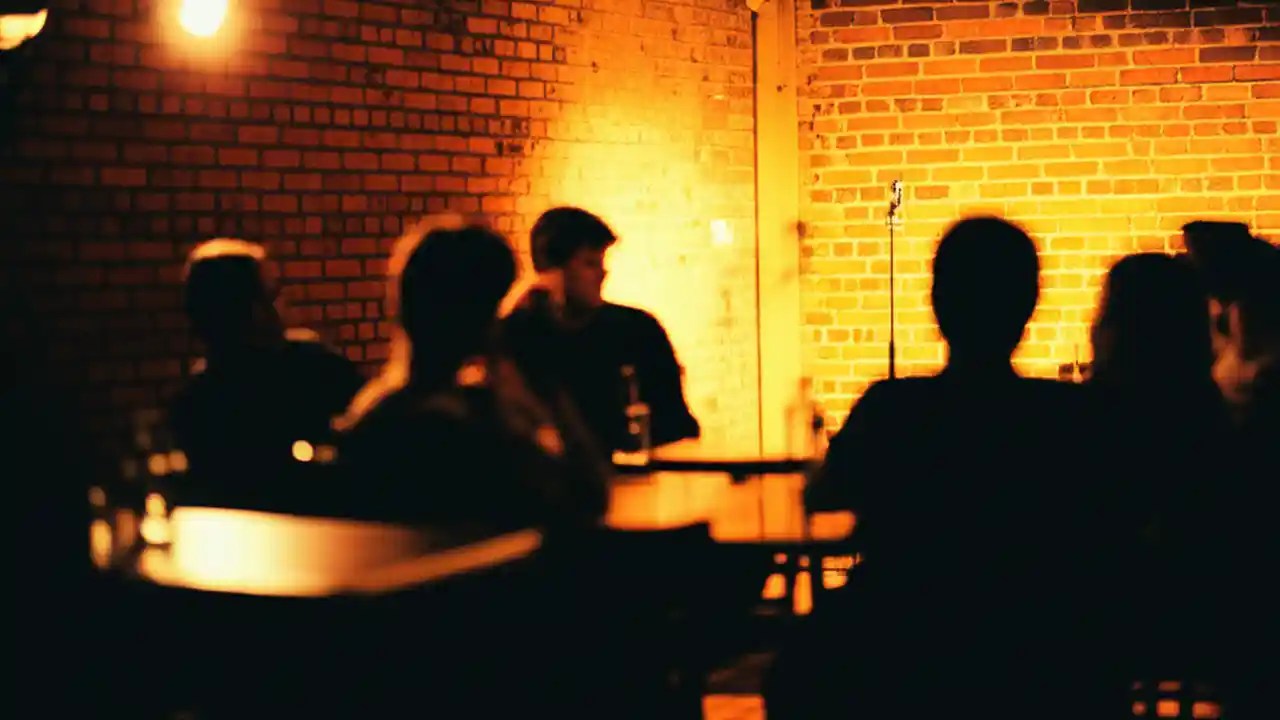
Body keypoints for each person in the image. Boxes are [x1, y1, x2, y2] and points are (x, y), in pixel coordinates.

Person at [768, 217, 1117, 719]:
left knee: (794, 671)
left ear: (937, 302)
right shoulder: (1069, 416)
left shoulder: (892, 408)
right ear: (1028, 305)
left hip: (896, 639)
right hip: (1040, 648)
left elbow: (823, 495)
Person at [335, 216, 610, 535]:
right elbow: (586, 498)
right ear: (486, 320)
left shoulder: (375, 412)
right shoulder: (467, 431)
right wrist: (544, 377)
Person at [167, 239, 365, 507]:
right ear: (243, 308)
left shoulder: (195, 401)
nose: (279, 307)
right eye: (270, 295)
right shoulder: (313, 368)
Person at [502, 207, 700, 453]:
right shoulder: (520, 338)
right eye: (590, 263)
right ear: (552, 272)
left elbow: (677, 425)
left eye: (602, 262)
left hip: (638, 474)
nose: (603, 274)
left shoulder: (637, 330)